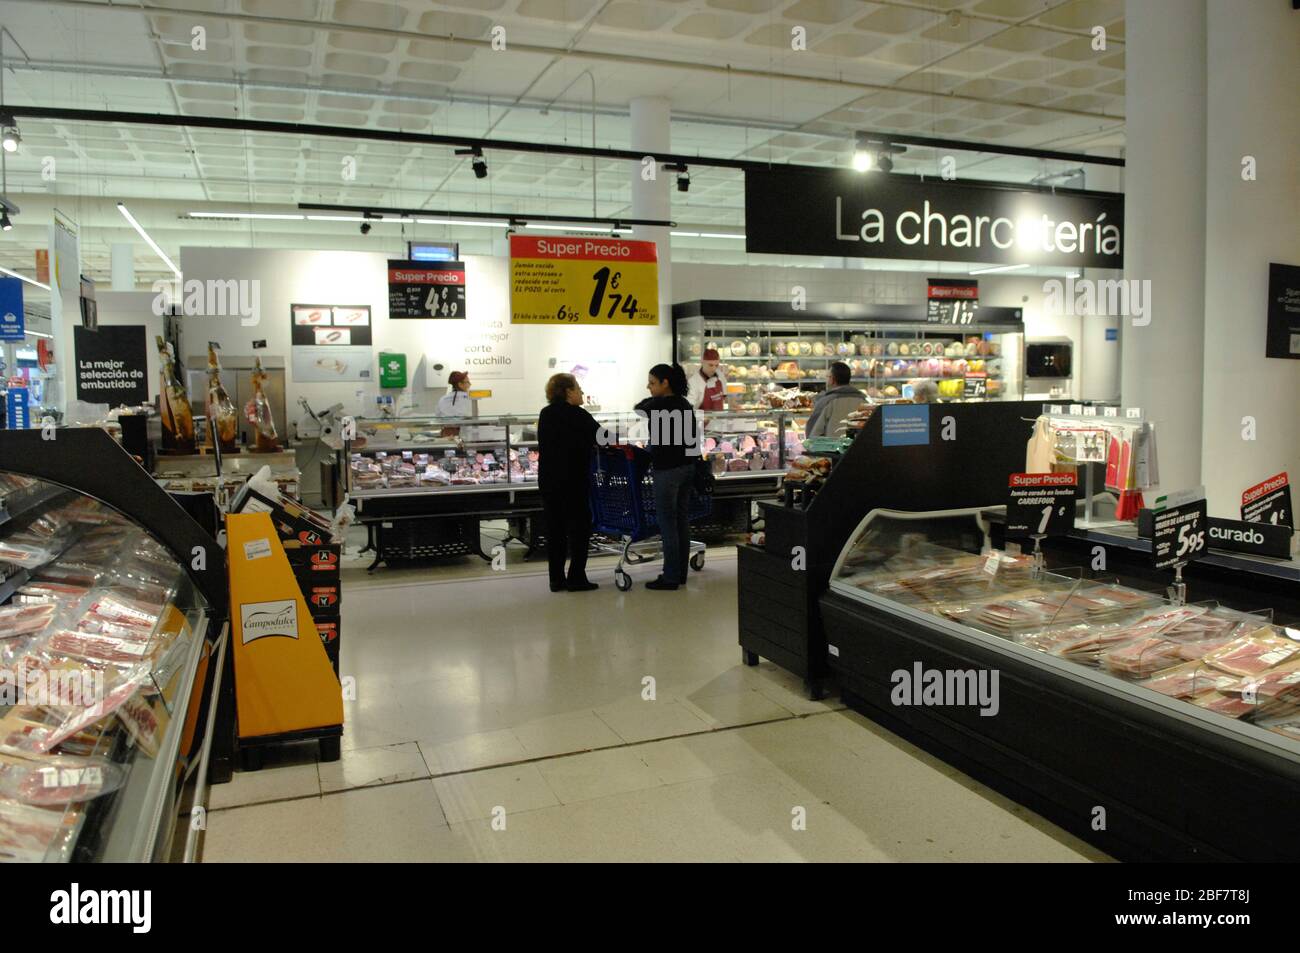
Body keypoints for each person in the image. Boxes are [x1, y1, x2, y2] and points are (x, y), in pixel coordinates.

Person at [634, 363, 698, 591]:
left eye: (652, 383)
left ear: (665, 383)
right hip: (687, 469)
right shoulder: (684, 404)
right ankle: (680, 573)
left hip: (667, 471)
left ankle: (670, 576)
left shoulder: (658, 406)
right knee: (681, 521)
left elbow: (637, 408)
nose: (648, 387)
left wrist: (654, 398)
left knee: (667, 524)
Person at [537, 373, 601, 592]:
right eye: (578, 388)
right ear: (568, 392)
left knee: (555, 530)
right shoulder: (579, 415)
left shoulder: (545, 414)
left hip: (549, 481)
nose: (581, 393)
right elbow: (604, 437)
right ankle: (576, 577)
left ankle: (556, 579)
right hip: (574, 481)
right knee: (579, 529)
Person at [806, 361, 866, 437]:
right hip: (857, 448)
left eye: (827, 377)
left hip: (831, 448)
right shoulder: (863, 401)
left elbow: (813, 433)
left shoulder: (826, 402)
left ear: (832, 379)